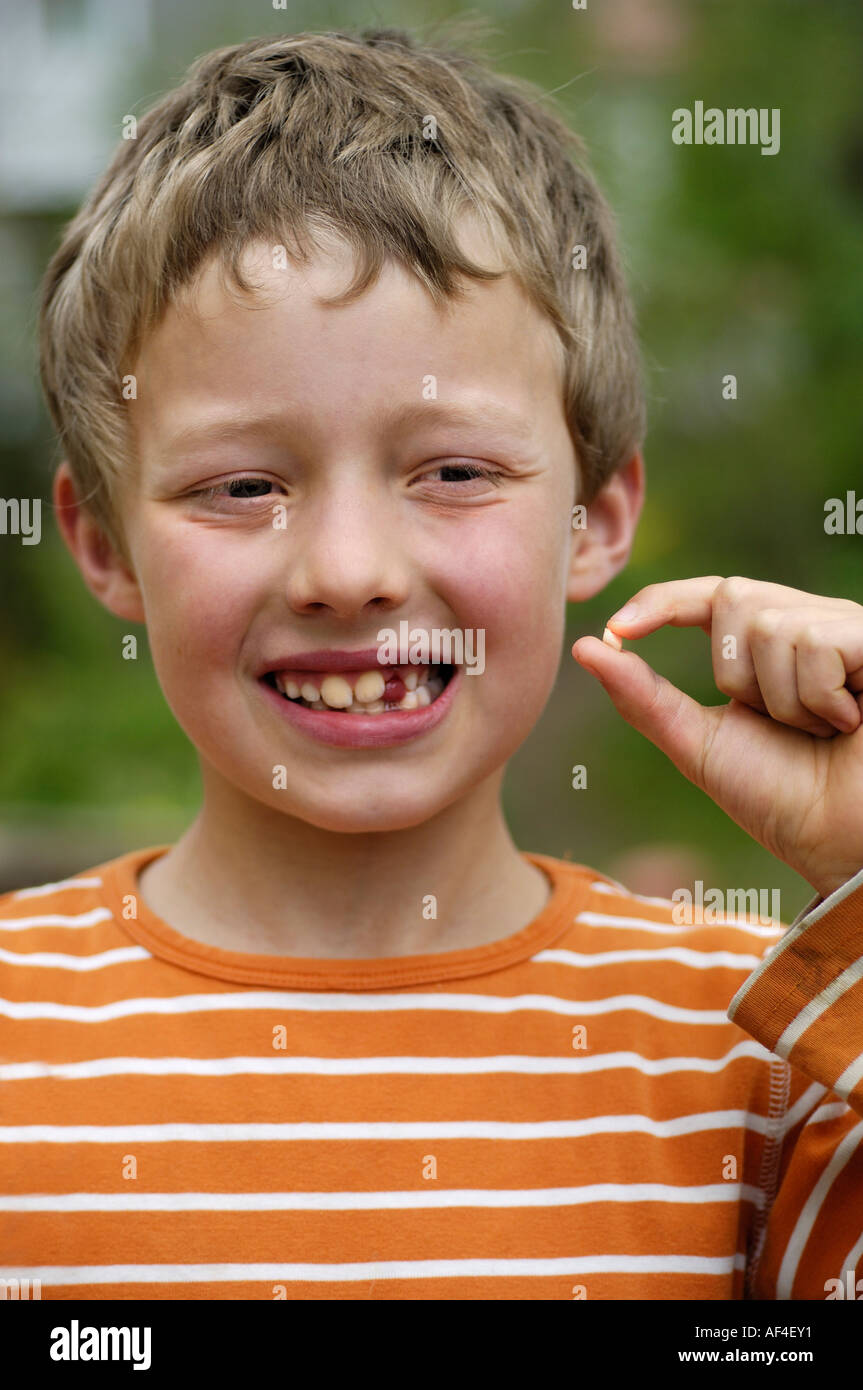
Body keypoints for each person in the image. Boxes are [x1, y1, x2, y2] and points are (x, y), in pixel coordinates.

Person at [2, 25, 861, 1301]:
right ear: (102, 543)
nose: (348, 568)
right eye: (242, 486)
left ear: (598, 514)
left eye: (453, 470)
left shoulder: (757, 1054)